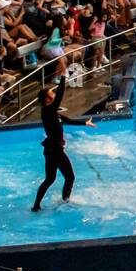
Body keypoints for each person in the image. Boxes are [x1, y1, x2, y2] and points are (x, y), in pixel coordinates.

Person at [31, 75, 96, 211]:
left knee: (50, 180)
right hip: (55, 151)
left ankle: (36, 206)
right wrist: (63, 77)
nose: (54, 94)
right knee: (70, 177)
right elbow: (60, 95)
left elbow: (68, 120)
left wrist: (85, 123)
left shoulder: (53, 113)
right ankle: (65, 201)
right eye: (51, 94)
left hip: (51, 151)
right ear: (48, 100)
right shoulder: (48, 111)